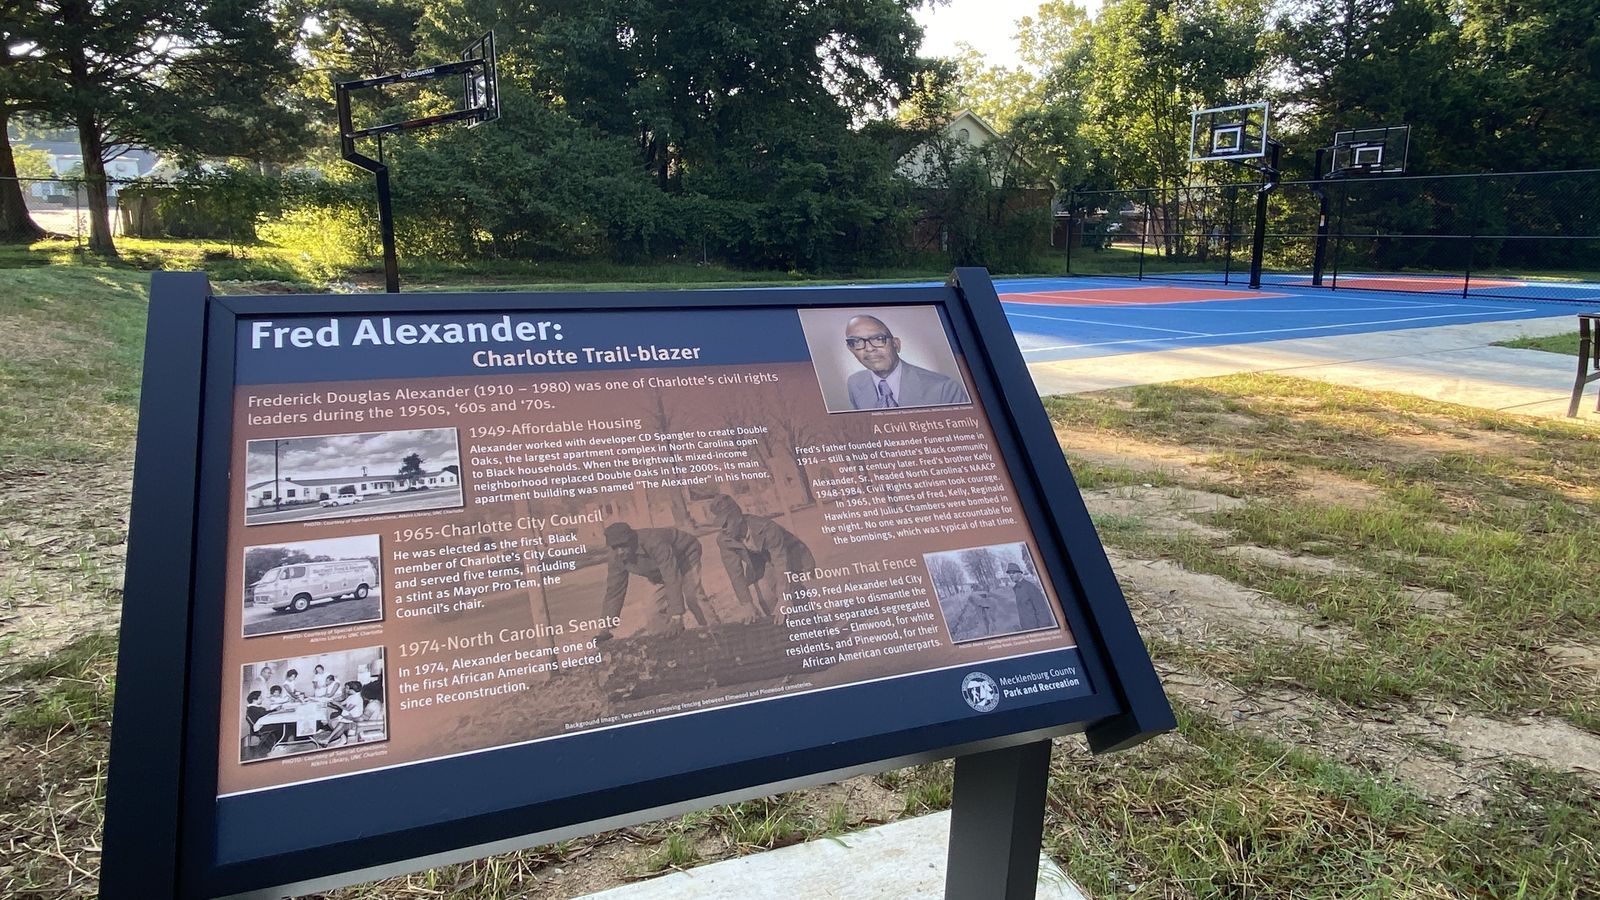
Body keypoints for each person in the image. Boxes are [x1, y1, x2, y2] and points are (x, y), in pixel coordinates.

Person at [596, 522, 721, 641]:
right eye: (615, 547)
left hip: (685, 556)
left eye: (623, 545)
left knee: (692, 597)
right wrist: (605, 628)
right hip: (658, 570)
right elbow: (614, 592)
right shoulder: (616, 558)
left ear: (631, 540)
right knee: (652, 609)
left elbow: (671, 575)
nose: (620, 551)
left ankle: (715, 633)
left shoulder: (654, 542)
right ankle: (669, 643)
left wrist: (676, 616)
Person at [709, 494, 815, 621]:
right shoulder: (724, 540)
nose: (723, 529)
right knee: (766, 599)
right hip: (763, 562)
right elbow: (735, 573)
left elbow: (781, 563)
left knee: (792, 596)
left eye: (726, 523)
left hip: (792, 557)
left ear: (737, 517)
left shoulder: (767, 527)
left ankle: (812, 627)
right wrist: (746, 603)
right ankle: (783, 631)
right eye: (720, 525)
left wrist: (783, 598)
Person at [843, 314, 970, 410]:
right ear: (851, 349)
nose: (869, 348)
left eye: (878, 339)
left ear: (896, 344)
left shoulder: (944, 388)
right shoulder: (854, 383)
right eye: (857, 342)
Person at [314, 681, 366, 747]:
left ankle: (329, 739)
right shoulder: (351, 697)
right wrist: (329, 703)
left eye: (347, 688)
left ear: (352, 689)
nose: (345, 689)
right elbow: (341, 704)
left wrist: (336, 703)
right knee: (333, 721)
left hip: (353, 718)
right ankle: (337, 739)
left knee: (339, 723)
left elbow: (347, 709)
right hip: (347, 716)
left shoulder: (357, 698)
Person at [1007, 563, 1055, 631]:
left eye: (1013, 572)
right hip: (1027, 628)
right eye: (1009, 573)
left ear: (1020, 573)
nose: (1011, 575)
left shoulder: (1030, 587)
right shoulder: (1016, 588)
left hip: (1037, 628)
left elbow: (1041, 611)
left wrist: (1043, 630)